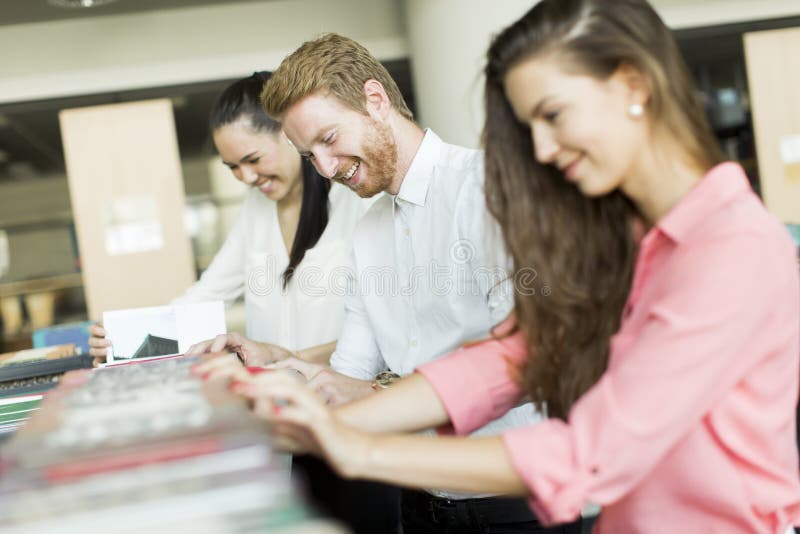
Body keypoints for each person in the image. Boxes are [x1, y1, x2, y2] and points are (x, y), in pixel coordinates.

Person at [199, 2, 800, 533]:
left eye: (553, 115)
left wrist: (356, 446)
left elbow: (590, 453)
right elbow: (513, 355)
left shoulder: (732, 248)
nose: (541, 149)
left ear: (633, 86)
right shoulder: (633, 236)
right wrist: (321, 420)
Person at [195, 33, 580, 534]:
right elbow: (351, 371)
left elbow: (534, 363)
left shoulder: (486, 189)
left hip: (516, 503)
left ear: (375, 100)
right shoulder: (369, 229)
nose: (325, 169)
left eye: (329, 139)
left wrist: (372, 391)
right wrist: (285, 372)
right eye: (309, 155)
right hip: (421, 501)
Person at [88, 73, 396, 534]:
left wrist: (286, 359)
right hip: (283, 423)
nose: (247, 178)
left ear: (290, 135)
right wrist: (121, 341)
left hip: (356, 419)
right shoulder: (256, 208)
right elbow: (205, 294)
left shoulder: (357, 201)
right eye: (233, 167)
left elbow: (381, 334)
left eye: (252, 159)